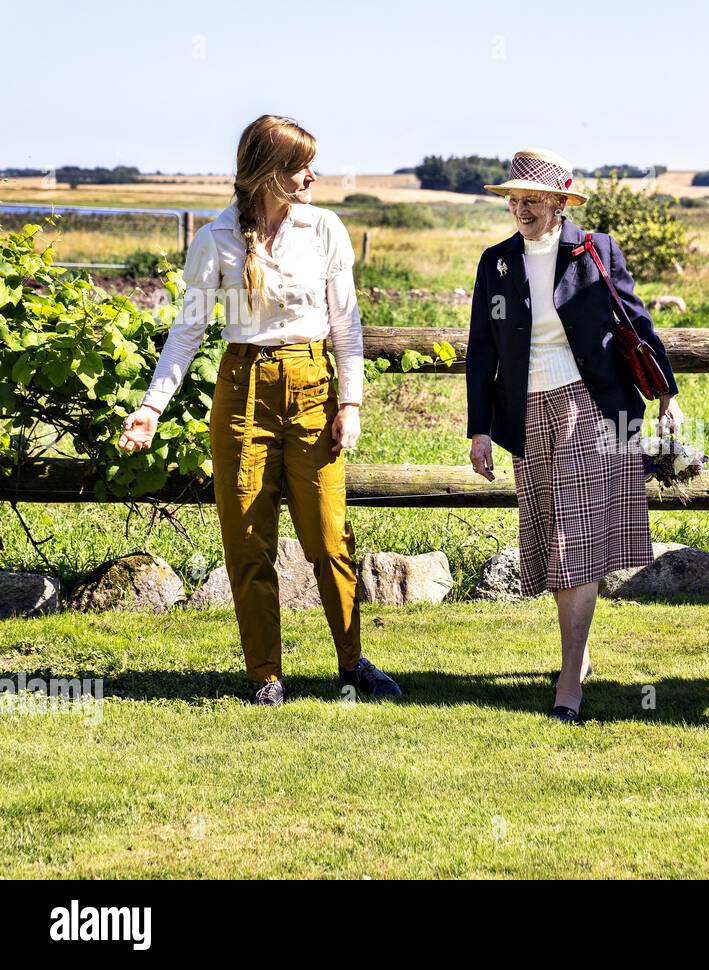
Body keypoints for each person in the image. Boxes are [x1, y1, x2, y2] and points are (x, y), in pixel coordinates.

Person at [117, 114, 401, 706]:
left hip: (313, 388)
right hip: (241, 388)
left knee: (328, 537)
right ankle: (265, 676)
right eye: (300, 167)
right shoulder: (215, 239)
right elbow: (188, 330)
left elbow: (346, 326)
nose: (312, 176)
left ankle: (352, 665)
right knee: (248, 541)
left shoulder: (325, 229)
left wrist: (351, 402)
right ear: (268, 173)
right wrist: (151, 407)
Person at [466, 148, 683, 725]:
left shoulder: (596, 249)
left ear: (560, 203)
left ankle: (568, 680)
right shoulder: (497, 263)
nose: (520, 209)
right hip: (526, 416)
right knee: (555, 538)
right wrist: (480, 430)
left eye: (532, 200)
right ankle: (578, 652)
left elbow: (635, 321)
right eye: (513, 200)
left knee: (575, 538)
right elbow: (482, 350)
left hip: (594, 410)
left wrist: (667, 393)